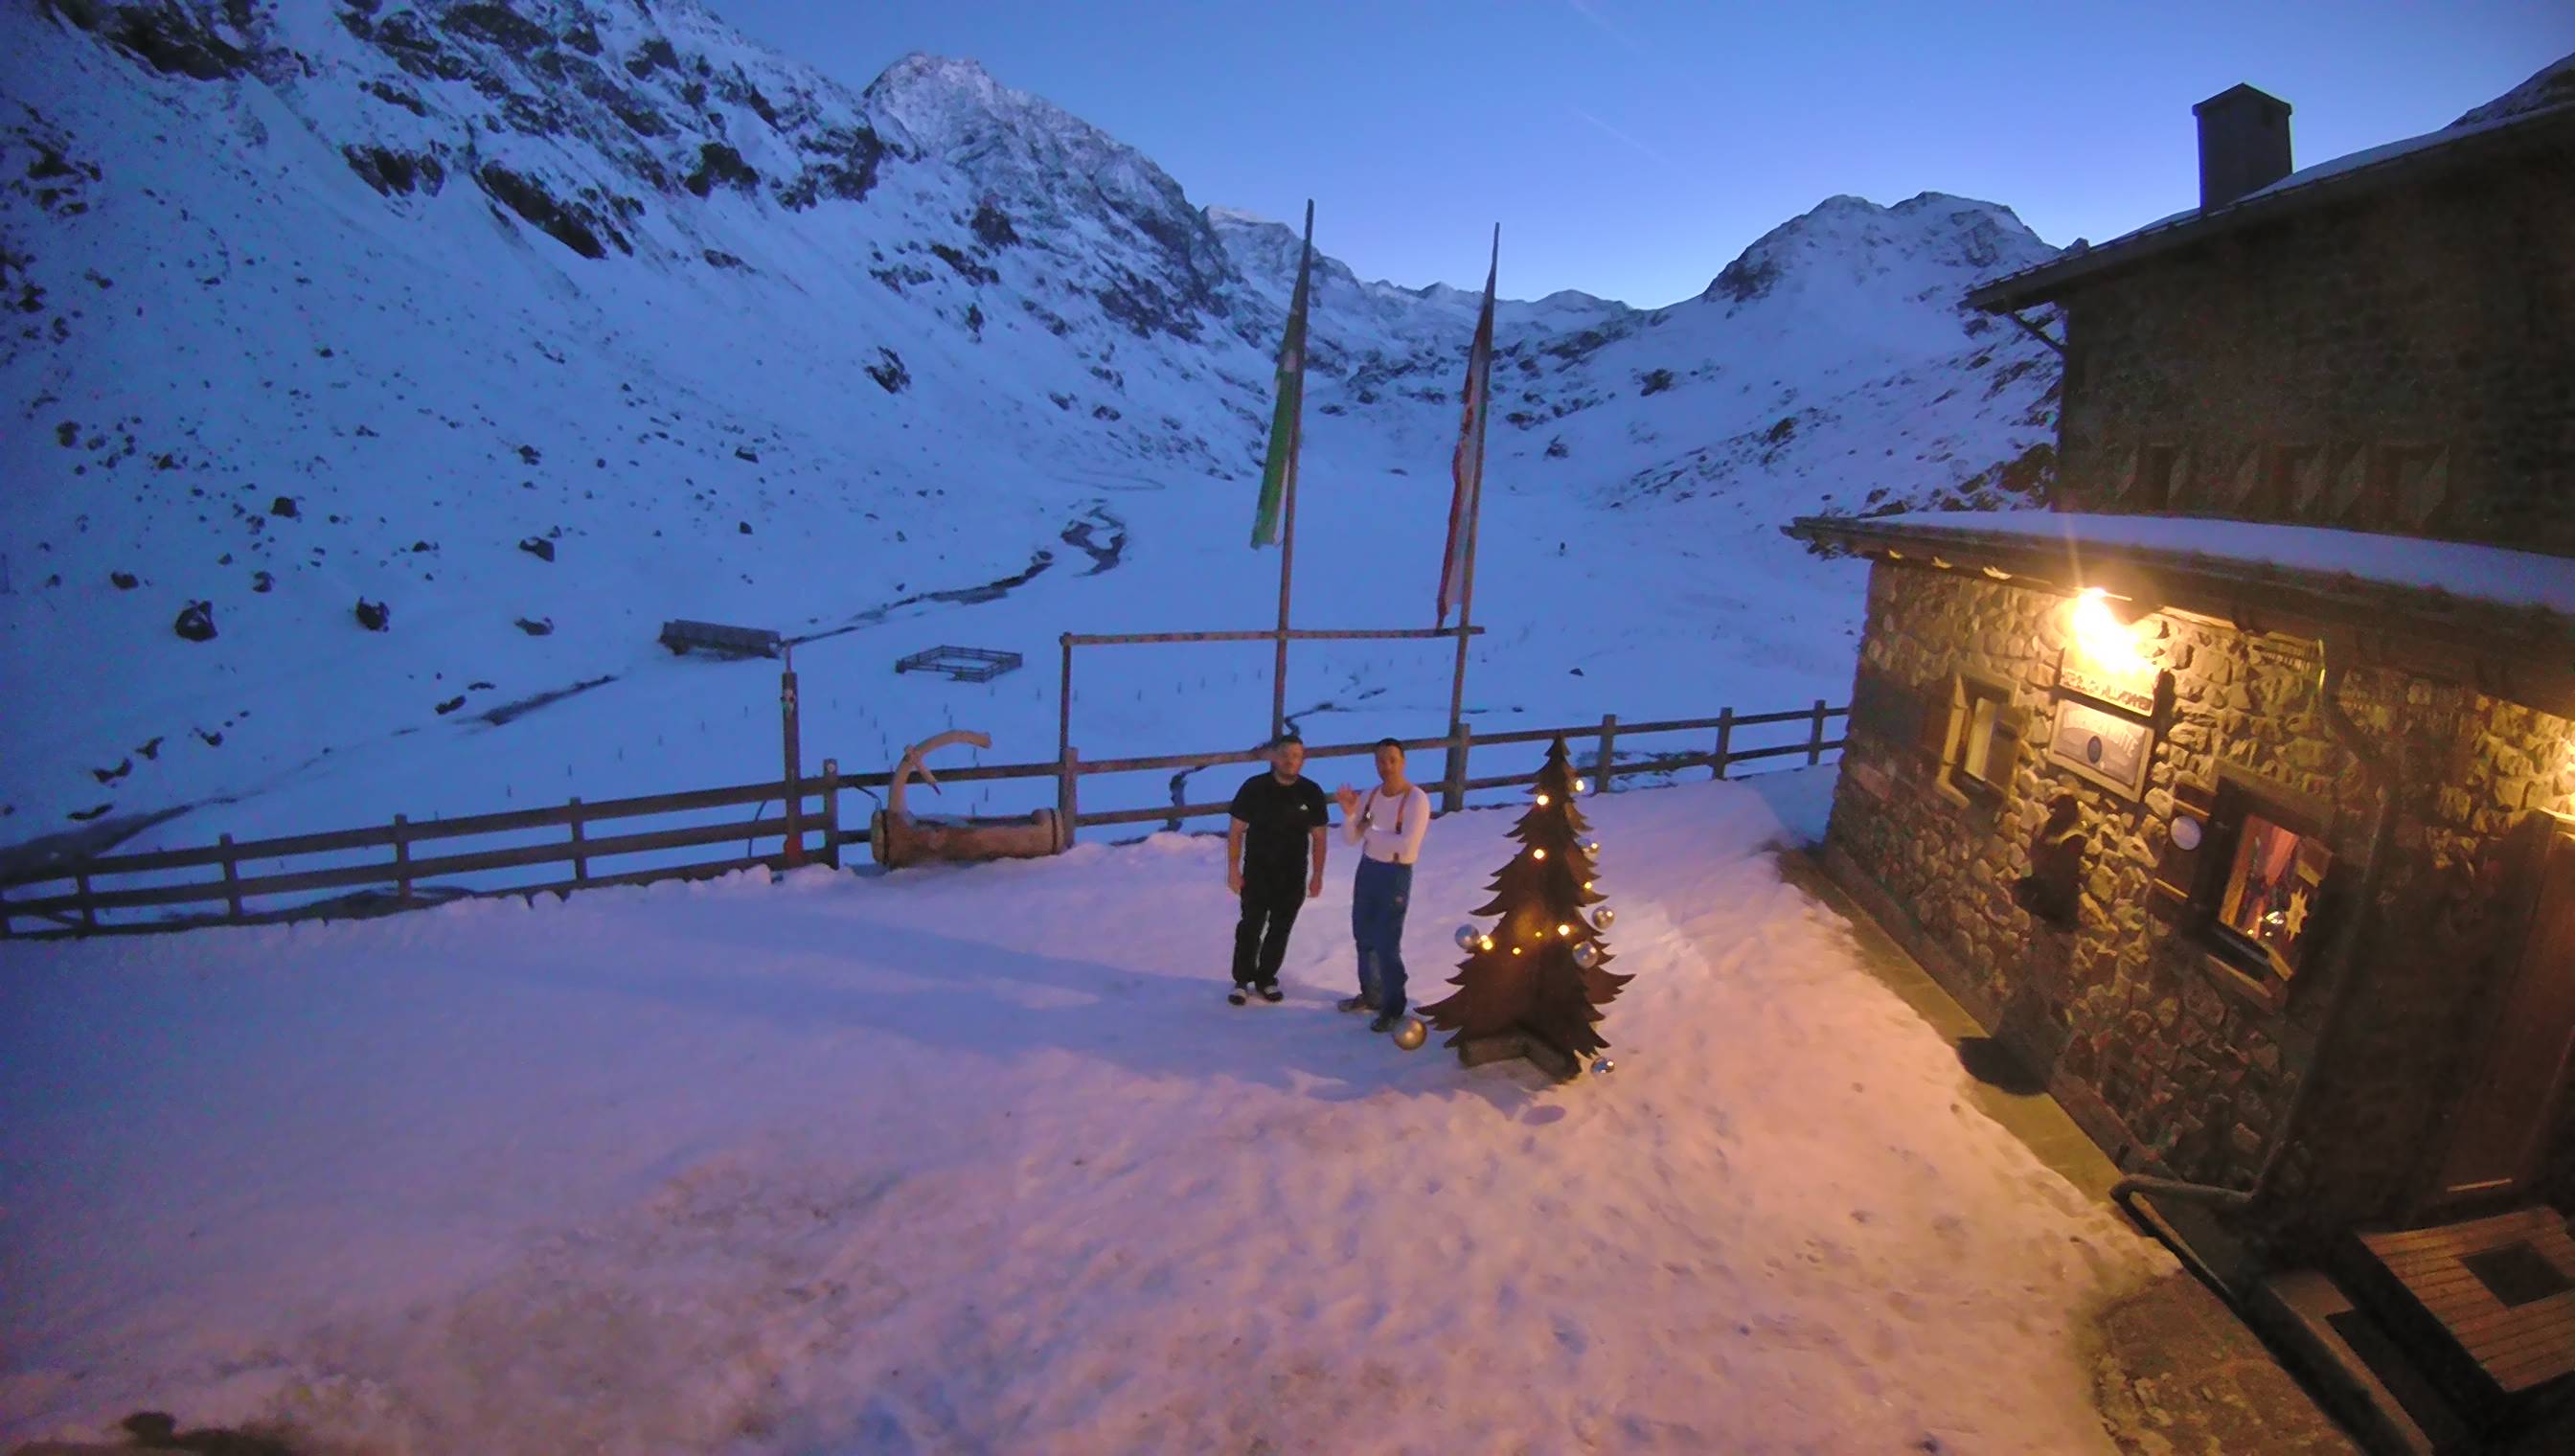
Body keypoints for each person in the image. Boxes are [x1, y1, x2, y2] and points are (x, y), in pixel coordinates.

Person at [1333, 738, 1430, 1034]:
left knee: (1387, 944)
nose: (1386, 766)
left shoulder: (1415, 800)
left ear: (1403, 762)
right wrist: (1349, 815)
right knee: (1363, 937)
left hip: (1394, 874)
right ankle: (1372, 995)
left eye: (1392, 760)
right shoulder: (1371, 795)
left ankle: (1393, 1006)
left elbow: (1407, 845)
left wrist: (1369, 832)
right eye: (1380, 760)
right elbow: (1350, 838)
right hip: (1368, 870)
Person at [1225, 733, 1329, 1005]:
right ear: (1274, 757)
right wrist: (1233, 869)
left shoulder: (1311, 792)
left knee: (1280, 928)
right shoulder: (1254, 788)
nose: (1290, 761)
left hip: (1293, 873)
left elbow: (1319, 837)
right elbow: (1236, 830)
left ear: (1303, 759)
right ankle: (1241, 980)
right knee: (1251, 925)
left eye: (1296, 756)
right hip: (1258, 871)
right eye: (1284, 755)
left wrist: (1317, 875)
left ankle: (1266, 978)